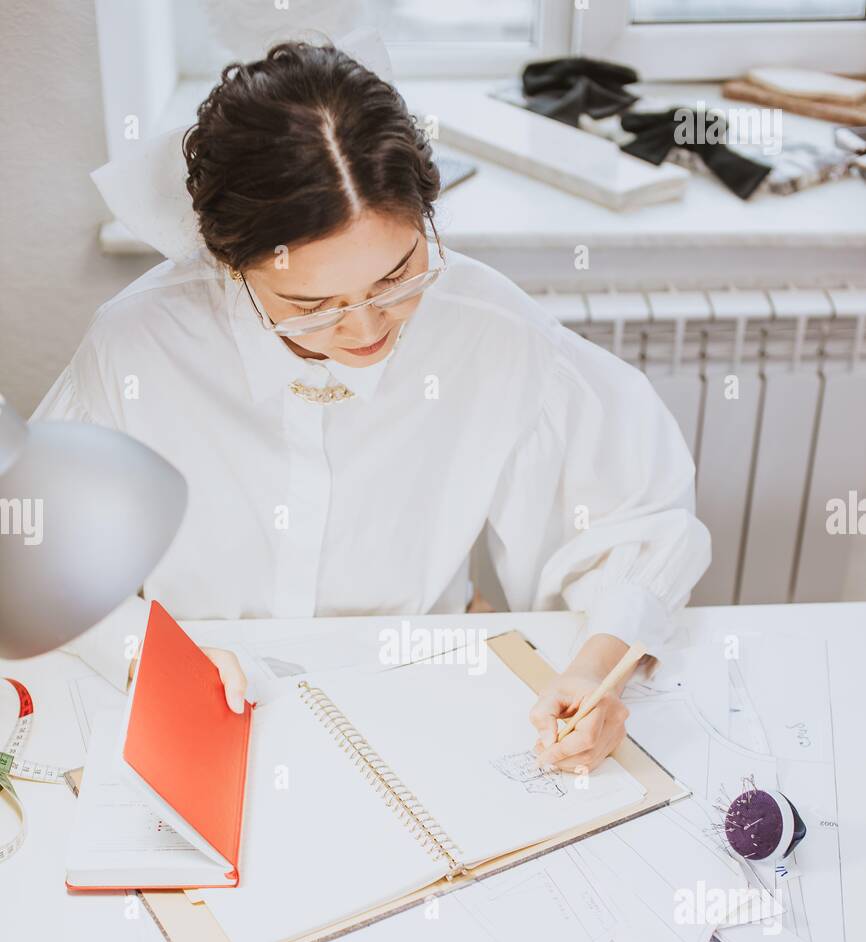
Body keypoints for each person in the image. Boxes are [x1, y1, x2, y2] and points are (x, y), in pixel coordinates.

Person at [34, 41, 710, 773]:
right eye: (310, 305)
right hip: (206, 708)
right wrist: (144, 653)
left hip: (422, 700)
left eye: (397, 278)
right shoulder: (142, 342)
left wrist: (593, 671)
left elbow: (634, 518)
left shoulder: (491, 328)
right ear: (228, 260)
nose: (366, 331)